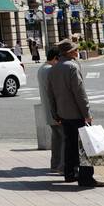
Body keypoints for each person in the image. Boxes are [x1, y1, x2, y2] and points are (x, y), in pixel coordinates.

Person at [47, 40, 104, 188]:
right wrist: (86, 113)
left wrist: (55, 114)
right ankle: (86, 177)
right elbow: (80, 93)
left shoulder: (53, 69)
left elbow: (51, 94)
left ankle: (70, 174)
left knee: (70, 145)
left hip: (63, 113)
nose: (77, 51)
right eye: (75, 49)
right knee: (85, 146)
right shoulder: (72, 67)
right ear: (69, 52)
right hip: (77, 113)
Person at [36, 44, 64, 177]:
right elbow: (57, 92)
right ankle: (62, 166)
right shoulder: (50, 71)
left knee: (57, 138)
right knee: (63, 138)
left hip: (48, 112)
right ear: (55, 58)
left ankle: (55, 164)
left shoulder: (42, 69)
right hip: (56, 112)